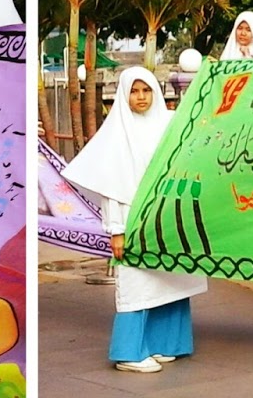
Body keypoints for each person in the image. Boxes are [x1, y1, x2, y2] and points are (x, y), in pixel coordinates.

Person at [62, 67, 205, 374]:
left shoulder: (169, 124)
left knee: (172, 279)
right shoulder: (118, 134)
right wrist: (116, 231)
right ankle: (129, 352)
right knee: (137, 286)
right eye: (134, 91)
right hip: (133, 221)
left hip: (167, 218)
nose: (141, 97)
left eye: (146, 90)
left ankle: (166, 343)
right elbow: (111, 188)